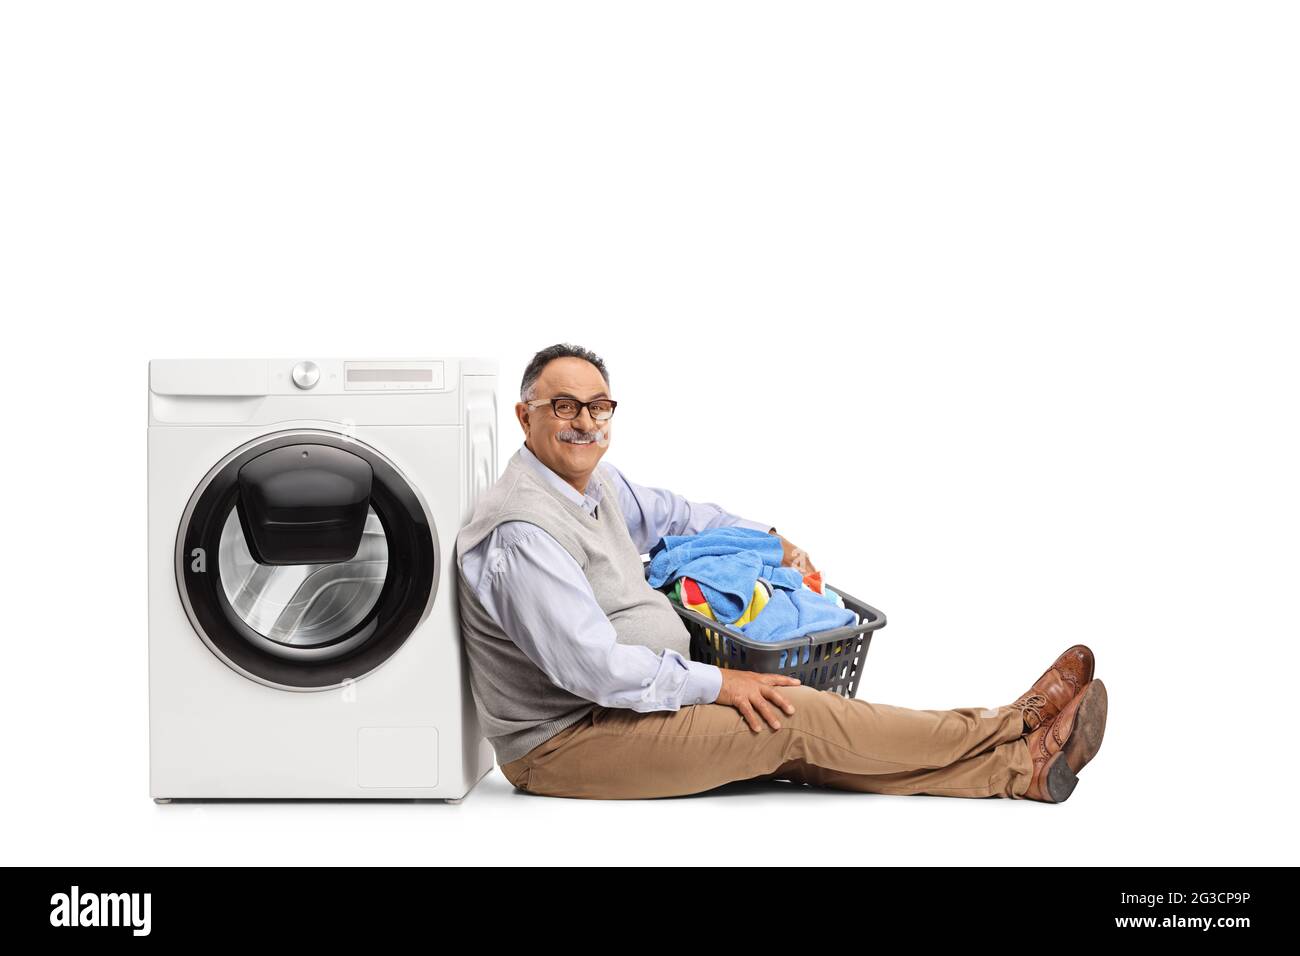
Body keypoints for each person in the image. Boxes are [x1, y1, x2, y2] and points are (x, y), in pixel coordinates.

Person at [455, 343, 1108, 801]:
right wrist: (720, 684)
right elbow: (591, 669)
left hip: (622, 713)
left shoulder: (595, 484)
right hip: (568, 742)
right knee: (793, 719)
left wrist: (768, 539)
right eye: (564, 407)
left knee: (807, 741)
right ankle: (1011, 725)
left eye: (599, 406)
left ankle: (1018, 771)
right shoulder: (521, 531)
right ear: (526, 417)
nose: (586, 423)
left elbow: (678, 515)